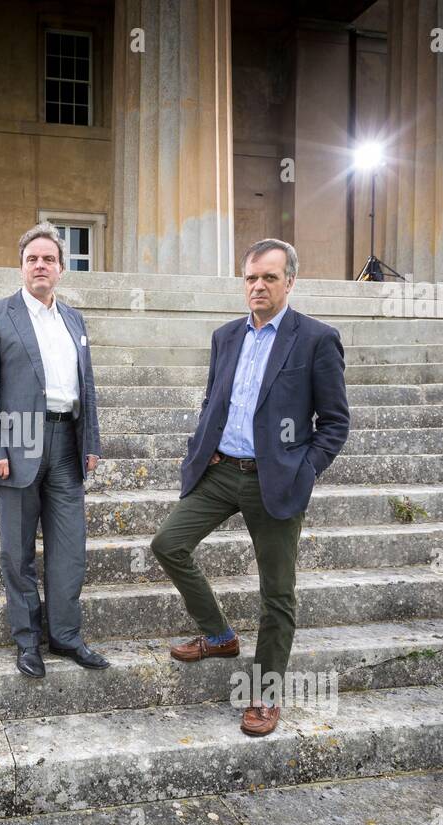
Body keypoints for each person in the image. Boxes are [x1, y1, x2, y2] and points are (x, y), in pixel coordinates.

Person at [150, 238, 350, 735]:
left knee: (276, 594)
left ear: (290, 282)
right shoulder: (225, 337)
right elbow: (212, 401)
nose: (258, 286)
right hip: (219, 473)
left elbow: (335, 422)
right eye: (251, 278)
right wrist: (204, 445)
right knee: (168, 544)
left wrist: (302, 470)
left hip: (274, 480)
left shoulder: (315, 339)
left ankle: (265, 695)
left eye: (270, 278)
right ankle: (218, 635)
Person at [0, 222, 106, 678]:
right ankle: (27, 641)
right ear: (22, 267)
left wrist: (90, 441)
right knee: (17, 550)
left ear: (61, 269)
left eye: (48, 259)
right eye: (32, 259)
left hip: (67, 439)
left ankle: (66, 637)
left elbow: (86, 385)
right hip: (19, 436)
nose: (40, 265)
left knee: (71, 548)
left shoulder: (73, 319)